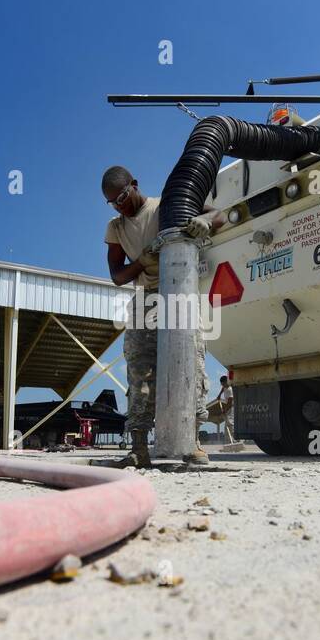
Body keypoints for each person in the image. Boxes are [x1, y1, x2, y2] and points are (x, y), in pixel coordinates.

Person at [102, 165, 222, 468]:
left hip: (180, 290)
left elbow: (219, 215)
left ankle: (192, 442)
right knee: (140, 368)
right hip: (146, 299)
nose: (120, 205)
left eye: (123, 196)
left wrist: (205, 221)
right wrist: (142, 261)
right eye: (113, 202)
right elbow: (117, 276)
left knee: (191, 363)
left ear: (135, 184)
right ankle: (139, 446)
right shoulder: (116, 227)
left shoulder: (166, 204)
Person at [217, 374, 236, 444]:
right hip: (228, 406)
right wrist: (219, 395)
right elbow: (223, 389)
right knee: (226, 424)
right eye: (221, 384)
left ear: (226, 382)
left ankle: (234, 440)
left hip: (231, 407)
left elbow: (230, 403)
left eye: (223, 384)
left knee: (230, 423)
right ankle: (228, 441)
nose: (222, 385)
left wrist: (225, 410)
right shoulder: (224, 387)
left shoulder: (230, 390)